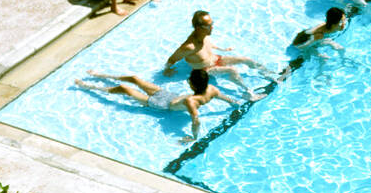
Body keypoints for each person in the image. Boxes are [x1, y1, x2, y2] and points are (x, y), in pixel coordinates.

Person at [75, 68, 236, 139]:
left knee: (124, 89)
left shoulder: (190, 101)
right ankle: (101, 75)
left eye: (189, 80)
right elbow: (224, 97)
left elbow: (196, 119)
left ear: (193, 85)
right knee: (135, 79)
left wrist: (194, 138)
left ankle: (91, 86)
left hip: (161, 105)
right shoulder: (211, 89)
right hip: (168, 95)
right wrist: (235, 104)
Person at [164, 10, 274, 98]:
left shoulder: (204, 35)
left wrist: (223, 50)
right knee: (232, 70)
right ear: (199, 28)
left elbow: (209, 46)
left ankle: (267, 73)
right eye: (209, 25)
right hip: (205, 70)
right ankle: (248, 93)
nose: (212, 27)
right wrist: (167, 69)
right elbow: (172, 59)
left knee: (245, 59)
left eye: (212, 23)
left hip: (216, 59)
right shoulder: (188, 47)